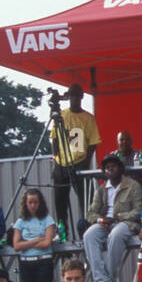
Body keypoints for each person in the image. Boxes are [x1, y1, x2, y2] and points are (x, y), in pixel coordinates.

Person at [81, 153, 142, 282]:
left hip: (126, 223)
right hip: (105, 224)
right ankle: (100, 279)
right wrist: (100, 220)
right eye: (107, 168)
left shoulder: (133, 186)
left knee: (115, 235)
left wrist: (117, 218)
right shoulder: (101, 189)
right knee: (89, 235)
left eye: (113, 167)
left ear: (120, 168)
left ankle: (108, 279)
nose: (110, 170)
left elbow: (139, 211)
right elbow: (90, 213)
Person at [51, 84, 101, 237]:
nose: (74, 99)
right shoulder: (61, 115)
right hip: (61, 164)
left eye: (77, 96)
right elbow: (54, 138)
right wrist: (56, 157)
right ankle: (62, 230)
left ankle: (87, 229)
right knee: (60, 201)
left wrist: (85, 161)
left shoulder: (88, 118)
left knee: (86, 201)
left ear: (81, 97)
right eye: (71, 96)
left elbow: (93, 142)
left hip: (79, 163)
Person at [10, 188, 57, 282]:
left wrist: (25, 243)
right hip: (26, 262)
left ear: (40, 203)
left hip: (43, 261)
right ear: (25, 204)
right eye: (30, 202)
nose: (33, 205)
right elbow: (16, 246)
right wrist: (36, 240)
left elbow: (47, 243)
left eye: (35, 202)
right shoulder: (20, 221)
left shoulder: (47, 219)